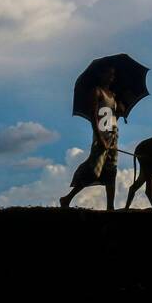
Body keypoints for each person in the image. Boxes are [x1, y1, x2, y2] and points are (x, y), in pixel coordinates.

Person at [60, 64, 119, 210]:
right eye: (108, 74)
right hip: (102, 135)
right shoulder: (97, 92)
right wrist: (99, 138)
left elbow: (113, 115)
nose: (111, 77)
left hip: (113, 136)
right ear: (101, 75)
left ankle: (110, 206)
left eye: (113, 75)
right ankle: (67, 198)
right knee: (94, 170)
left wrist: (120, 109)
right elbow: (94, 115)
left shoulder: (113, 95)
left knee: (111, 170)